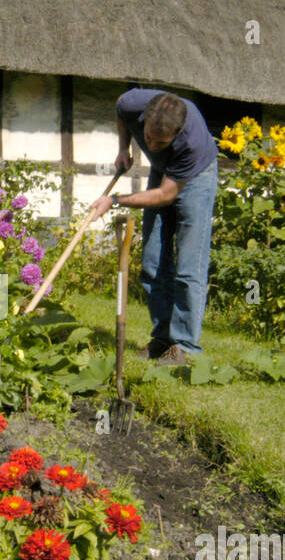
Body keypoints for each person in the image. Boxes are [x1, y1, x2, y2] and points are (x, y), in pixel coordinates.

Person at [88, 89, 219, 365]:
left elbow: (164, 196)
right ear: (145, 119)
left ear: (177, 132)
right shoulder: (133, 103)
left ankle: (184, 346)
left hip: (196, 178)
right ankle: (162, 340)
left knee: (188, 267)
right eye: (147, 137)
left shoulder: (190, 142)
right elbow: (120, 107)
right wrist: (124, 147)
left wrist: (115, 200)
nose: (152, 145)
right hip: (163, 171)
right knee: (152, 260)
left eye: (160, 142)